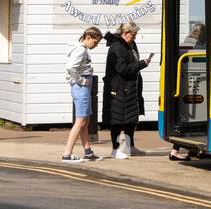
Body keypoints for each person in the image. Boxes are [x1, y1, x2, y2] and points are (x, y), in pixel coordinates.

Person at [104, 21, 152, 159]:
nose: (135, 38)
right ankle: (115, 149)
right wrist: (142, 64)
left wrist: (140, 65)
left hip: (131, 87)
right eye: (133, 35)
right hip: (118, 89)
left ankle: (130, 147)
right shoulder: (117, 47)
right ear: (125, 33)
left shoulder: (130, 44)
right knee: (117, 120)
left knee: (131, 119)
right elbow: (122, 69)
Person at [62, 27, 103, 163]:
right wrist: (82, 81)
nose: (95, 46)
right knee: (80, 121)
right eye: (95, 42)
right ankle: (67, 154)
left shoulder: (81, 49)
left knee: (85, 121)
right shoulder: (81, 50)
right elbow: (70, 67)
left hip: (82, 88)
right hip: (81, 88)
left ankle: (88, 152)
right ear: (88, 37)